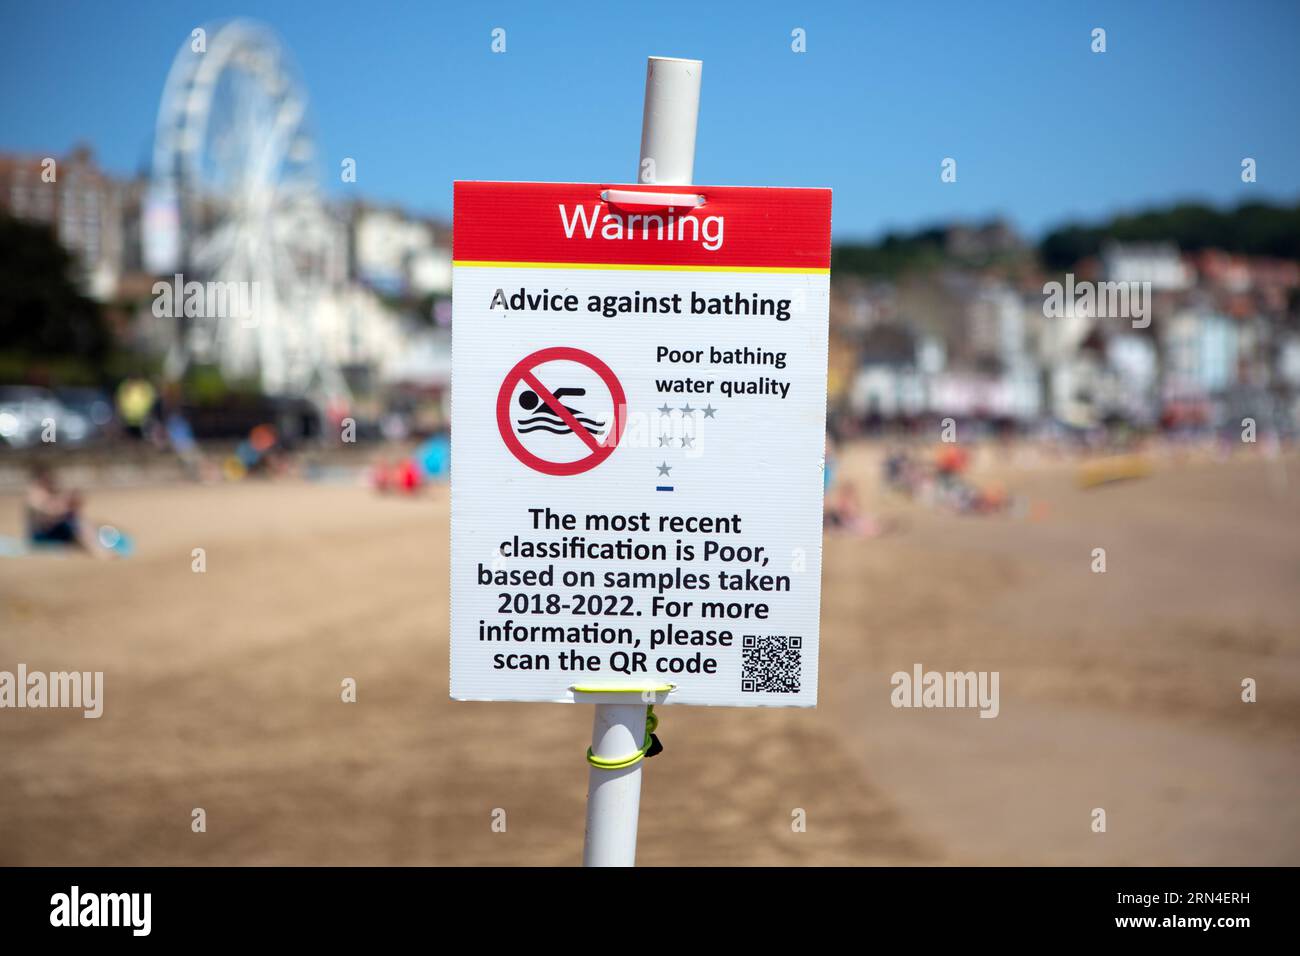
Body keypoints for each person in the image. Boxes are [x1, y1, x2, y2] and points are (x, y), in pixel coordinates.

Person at [24, 463, 103, 554]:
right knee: (76, 521)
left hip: (56, 531)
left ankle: (96, 546)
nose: (50, 480)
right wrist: (67, 504)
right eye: (47, 478)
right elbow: (49, 513)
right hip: (42, 535)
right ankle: (96, 549)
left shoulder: (50, 492)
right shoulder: (35, 494)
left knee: (78, 520)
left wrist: (71, 503)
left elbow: (58, 509)